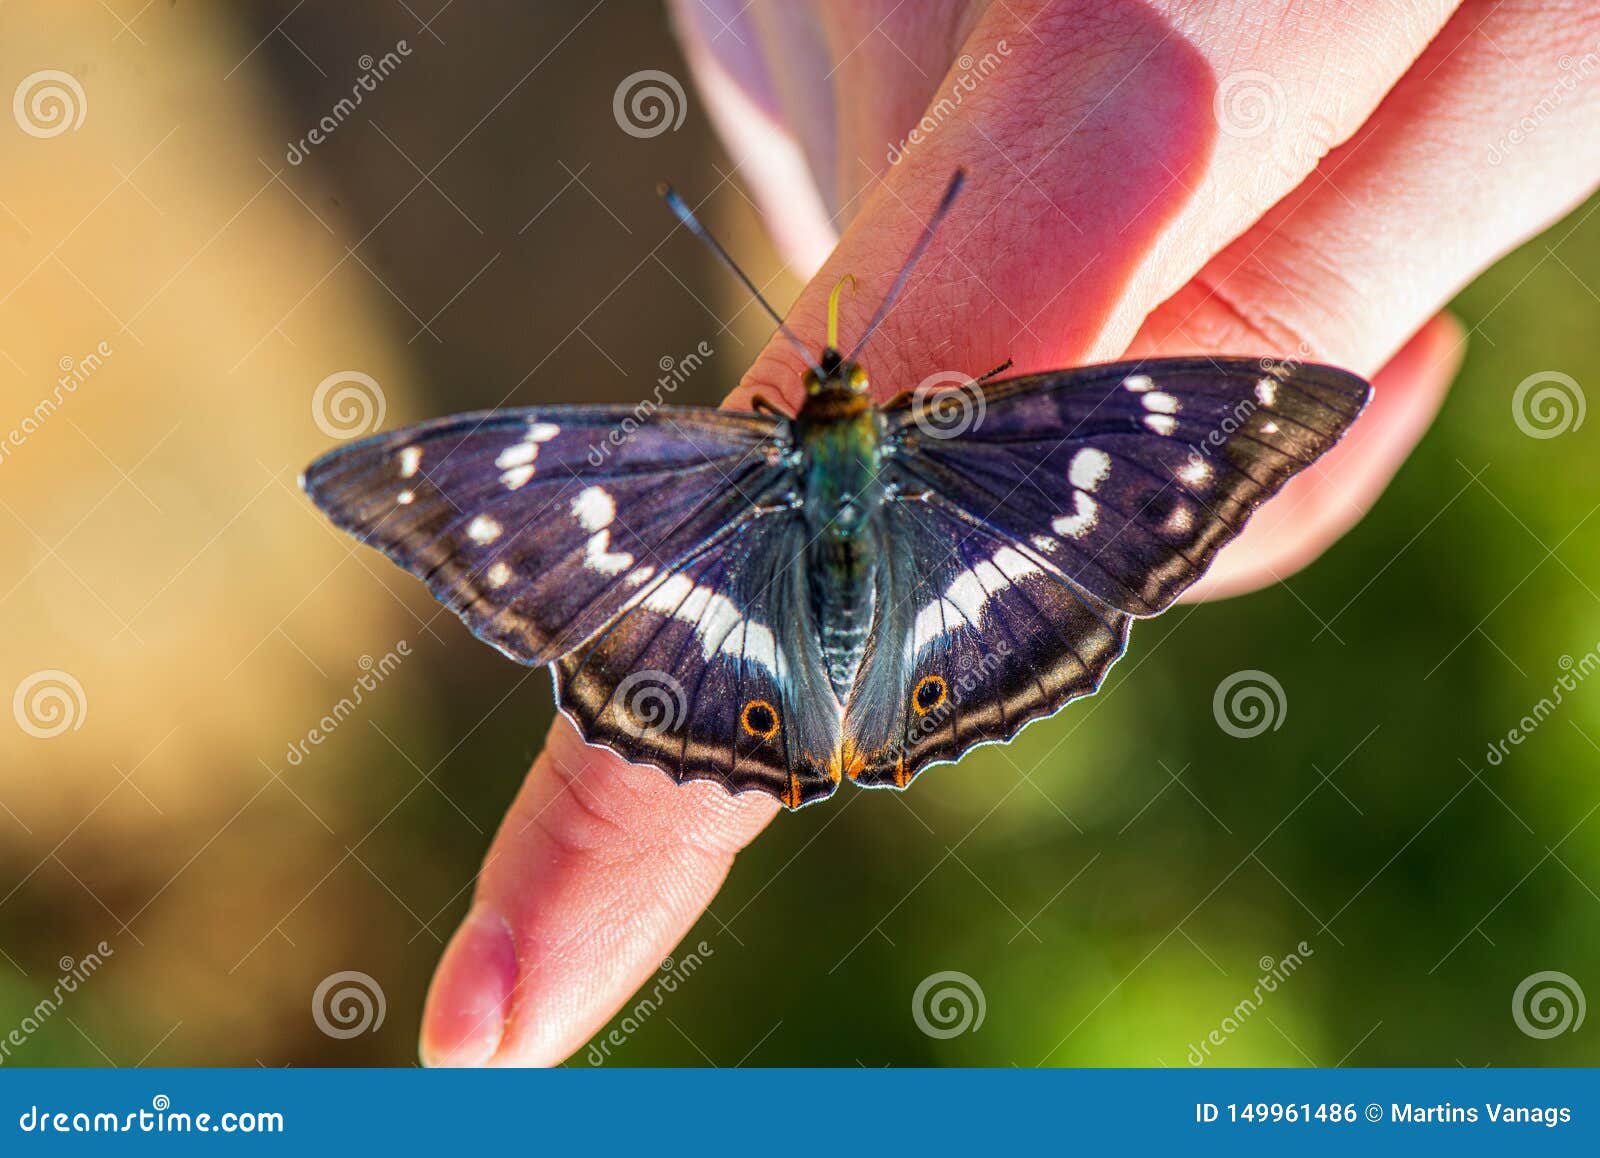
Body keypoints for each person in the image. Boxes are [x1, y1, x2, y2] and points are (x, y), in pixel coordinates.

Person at [419, 0, 1600, 1065]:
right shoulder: (949, 431)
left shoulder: (731, 455)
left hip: (810, 164)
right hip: (959, 576)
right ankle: (875, 715)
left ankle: (824, 719)